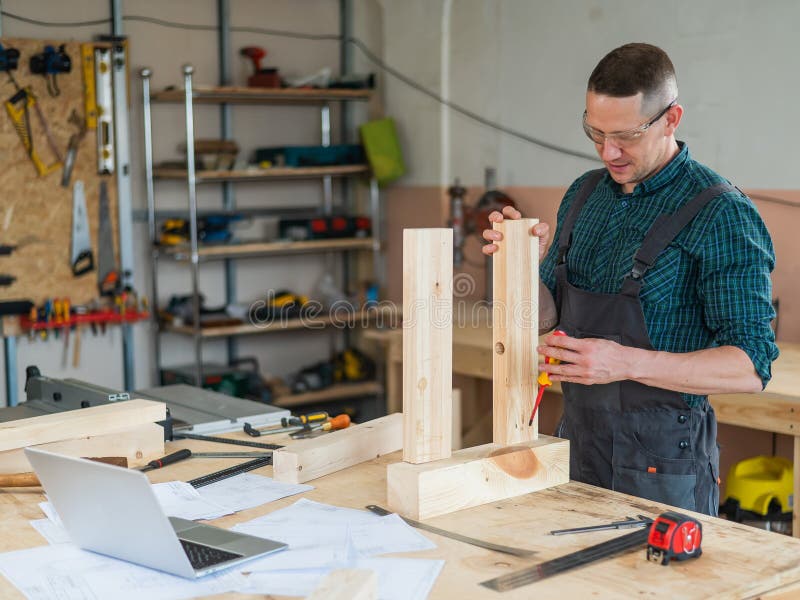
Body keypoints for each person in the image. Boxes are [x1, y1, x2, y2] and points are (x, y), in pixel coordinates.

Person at [482, 43, 778, 515]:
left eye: (626, 136)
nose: (609, 152)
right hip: (576, 446)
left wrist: (625, 363)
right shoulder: (584, 194)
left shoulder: (721, 213)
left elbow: (751, 365)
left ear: (671, 119)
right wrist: (521, 267)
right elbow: (546, 320)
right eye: (595, 133)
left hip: (663, 465)